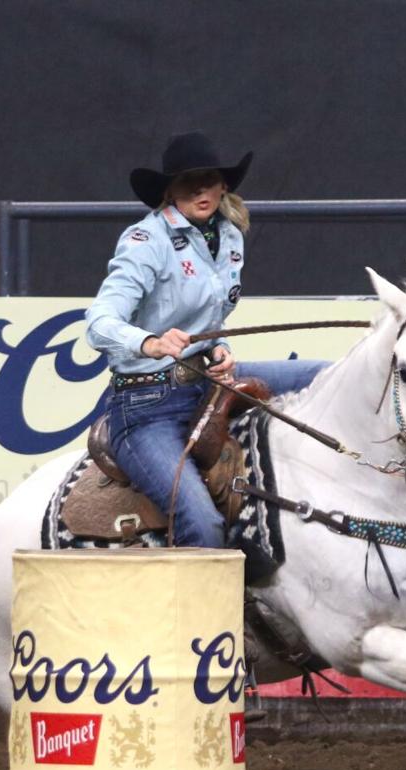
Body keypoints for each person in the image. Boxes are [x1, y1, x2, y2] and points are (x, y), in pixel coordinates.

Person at [85, 131, 328, 548]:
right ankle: (206, 614)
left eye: (209, 178)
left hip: (204, 383)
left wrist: (219, 348)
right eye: (187, 181)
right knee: (202, 523)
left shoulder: (230, 237)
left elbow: (212, 317)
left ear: (224, 185)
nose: (200, 189)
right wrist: (151, 343)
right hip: (145, 408)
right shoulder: (146, 242)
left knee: (326, 376)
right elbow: (98, 322)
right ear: (169, 191)